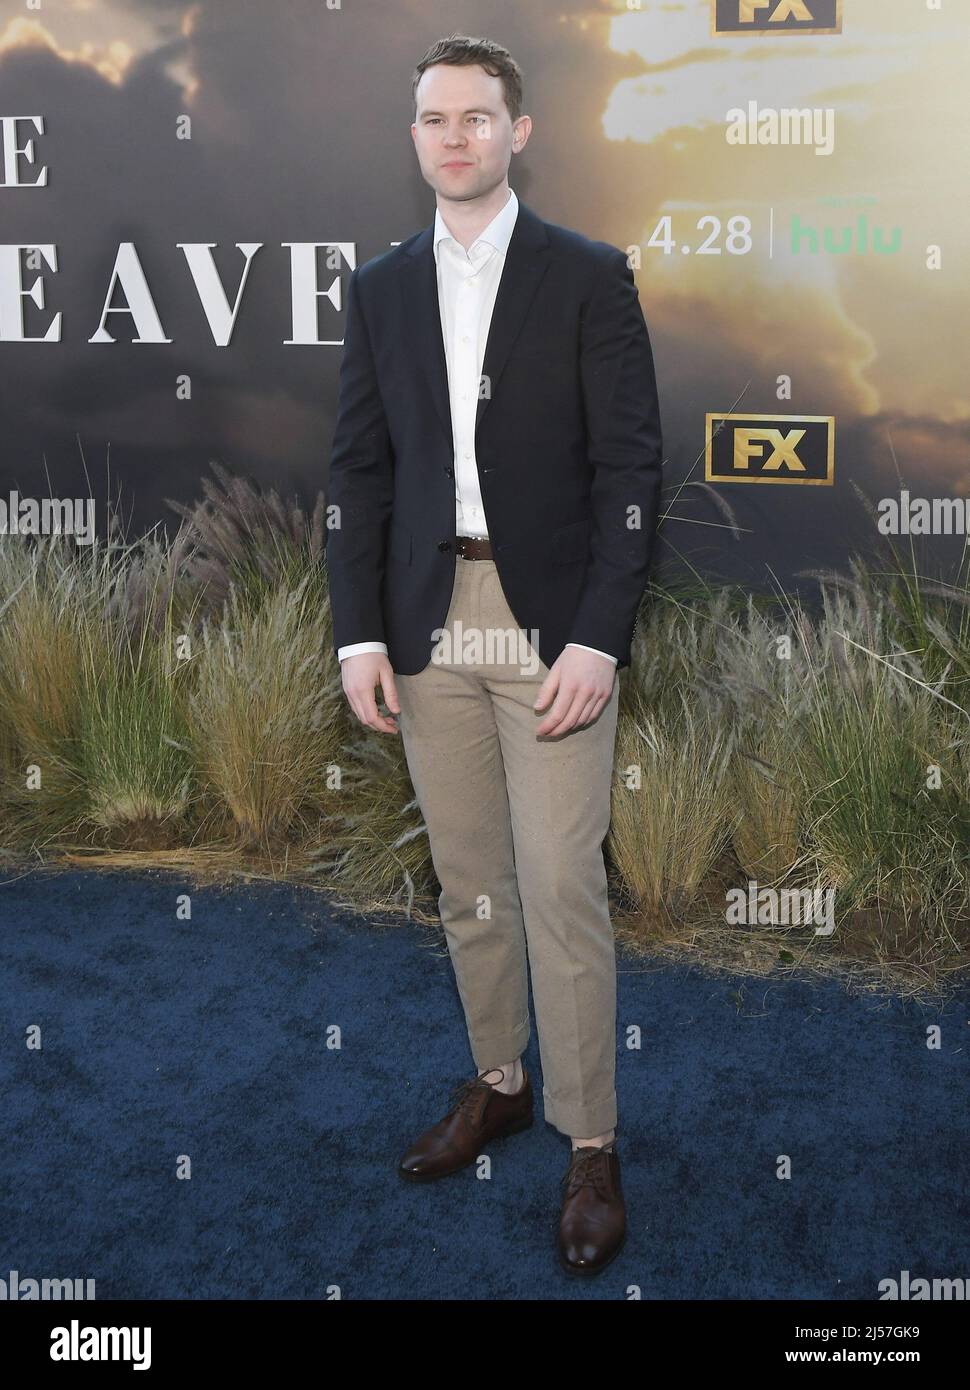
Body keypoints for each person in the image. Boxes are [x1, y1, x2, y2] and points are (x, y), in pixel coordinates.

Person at [325, 33, 663, 1276]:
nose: (454, 136)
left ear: (518, 132)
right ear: (413, 135)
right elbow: (359, 472)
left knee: (561, 882)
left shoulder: (586, 276)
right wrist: (358, 629)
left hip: (547, 623)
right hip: (422, 622)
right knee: (469, 877)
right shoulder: (381, 287)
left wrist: (599, 638)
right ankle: (502, 1083)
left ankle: (590, 1141)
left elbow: (632, 469)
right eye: (432, 118)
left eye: (477, 116)